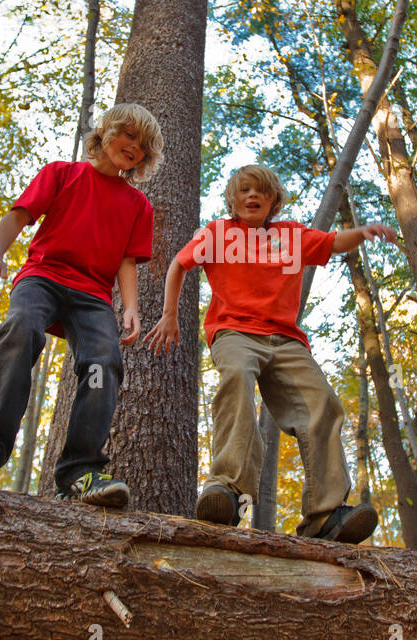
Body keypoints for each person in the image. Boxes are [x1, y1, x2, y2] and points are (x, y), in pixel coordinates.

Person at [144, 163, 395, 542]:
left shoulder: (291, 235)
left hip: (286, 339)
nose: (251, 197)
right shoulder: (218, 232)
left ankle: (325, 516)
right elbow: (180, 265)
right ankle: (228, 490)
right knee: (237, 379)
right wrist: (169, 315)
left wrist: (360, 233)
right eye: (243, 191)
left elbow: (329, 243)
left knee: (322, 404)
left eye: (260, 191)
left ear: (273, 201)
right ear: (232, 200)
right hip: (234, 333)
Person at [0, 104, 163, 507]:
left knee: (101, 364)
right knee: (21, 331)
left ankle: (79, 473)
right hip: (43, 277)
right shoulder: (62, 173)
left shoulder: (138, 206)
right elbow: (18, 217)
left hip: (92, 296)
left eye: (143, 146)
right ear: (105, 131)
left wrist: (131, 307)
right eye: (128, 134)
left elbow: (127, 260)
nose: (133, 147)